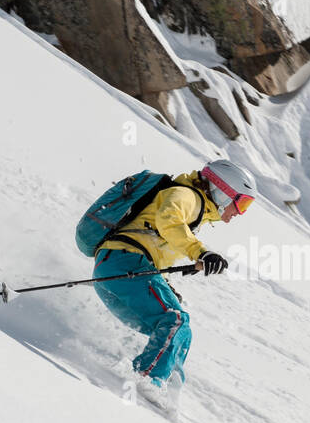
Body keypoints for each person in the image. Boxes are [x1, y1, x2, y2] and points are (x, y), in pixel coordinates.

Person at [94, 159, 257, 406]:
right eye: (241, 202)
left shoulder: (194, 207)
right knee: (175, 320)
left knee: (181, 329)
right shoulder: (186, 196)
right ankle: (148, 380)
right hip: (125, 262)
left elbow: (157, 242)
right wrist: (200, 252)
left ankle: (167, 389)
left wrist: (165, 284)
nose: (239, 212)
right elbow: (168, 220)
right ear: (223, 190)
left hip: (117, 270)